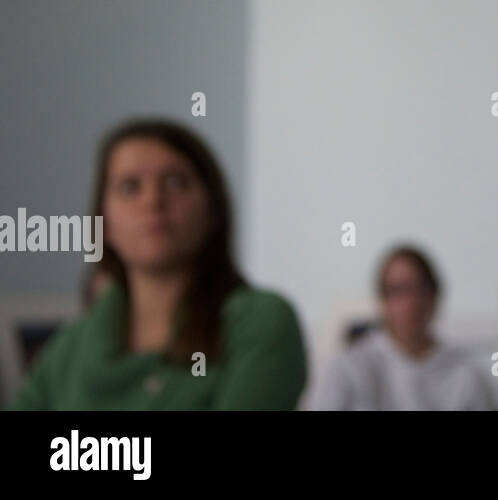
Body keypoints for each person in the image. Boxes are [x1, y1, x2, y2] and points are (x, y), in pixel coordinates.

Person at [10, 119, 307, 409]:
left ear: (212, 210)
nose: (153, 200)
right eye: (130, 187)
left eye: (176, 182)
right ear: (105, 223)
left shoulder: (260, 323)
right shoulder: (72, 345)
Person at [311, 245, 497, 410]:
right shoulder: (349, 368)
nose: (411, 302)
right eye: (399, 291)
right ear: (382, 301)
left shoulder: (466, 373)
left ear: (435, 296)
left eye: (420, 289)